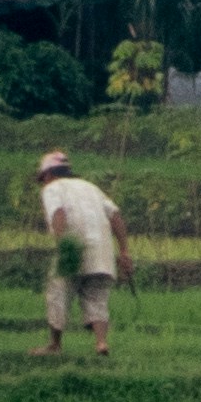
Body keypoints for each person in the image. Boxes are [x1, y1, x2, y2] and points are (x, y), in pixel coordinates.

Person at [35, 147, 132, 355]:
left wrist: (63, 245)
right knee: (97, 297)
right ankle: (101, 343)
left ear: (49, 174)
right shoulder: (91, 187)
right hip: (102, 250)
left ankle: (55, 345)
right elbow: (115, 215)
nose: (43, 182)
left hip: (74, 249)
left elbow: (58, 213)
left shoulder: (52, 189)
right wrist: (124, 251)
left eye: (43, 178)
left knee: (58, 292)